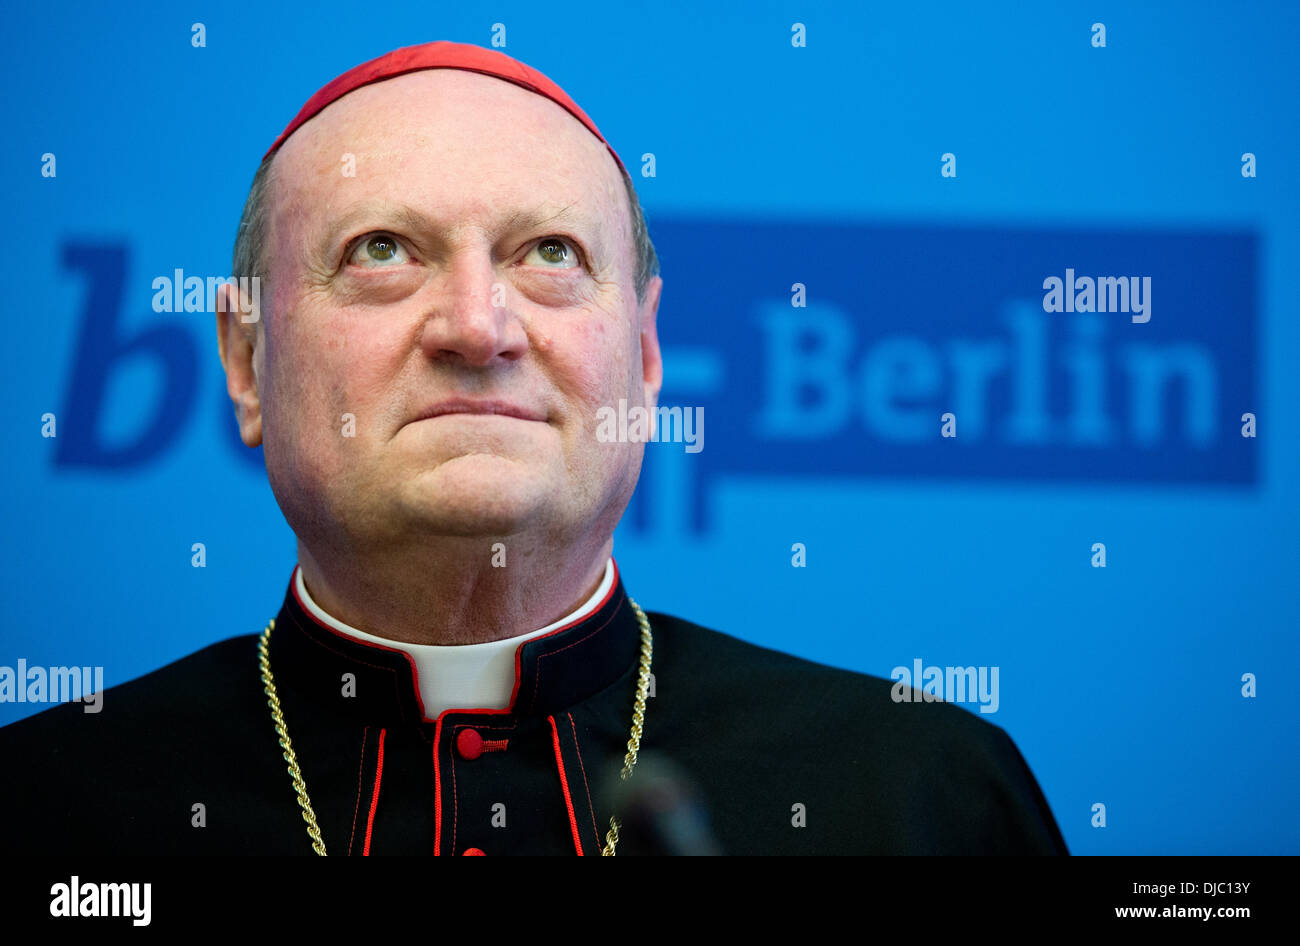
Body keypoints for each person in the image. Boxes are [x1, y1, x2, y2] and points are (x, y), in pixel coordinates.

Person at [0, 40, 1068, 855]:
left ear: (644, 357)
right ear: (245, 360)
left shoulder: (916, 792)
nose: (477, 325)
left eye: (549, 253)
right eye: (382, 251)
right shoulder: (55, 804)